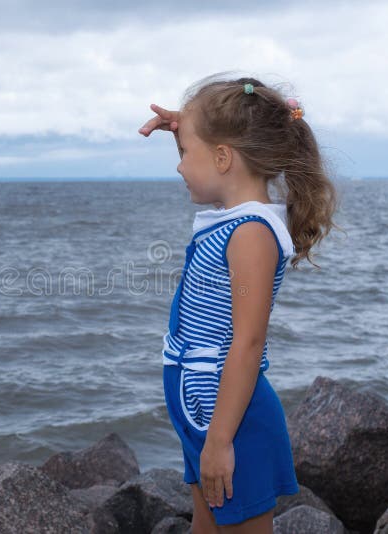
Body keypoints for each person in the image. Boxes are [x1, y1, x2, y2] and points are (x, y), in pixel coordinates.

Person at [138, 73, 339, 533]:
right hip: (204, 413)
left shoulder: (250, 235)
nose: (179, 166)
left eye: (186, 153)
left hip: (233, 421)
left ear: (224, 157)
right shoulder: (231, 222)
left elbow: (247, 343)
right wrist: (185, 131)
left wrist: (221, 440)